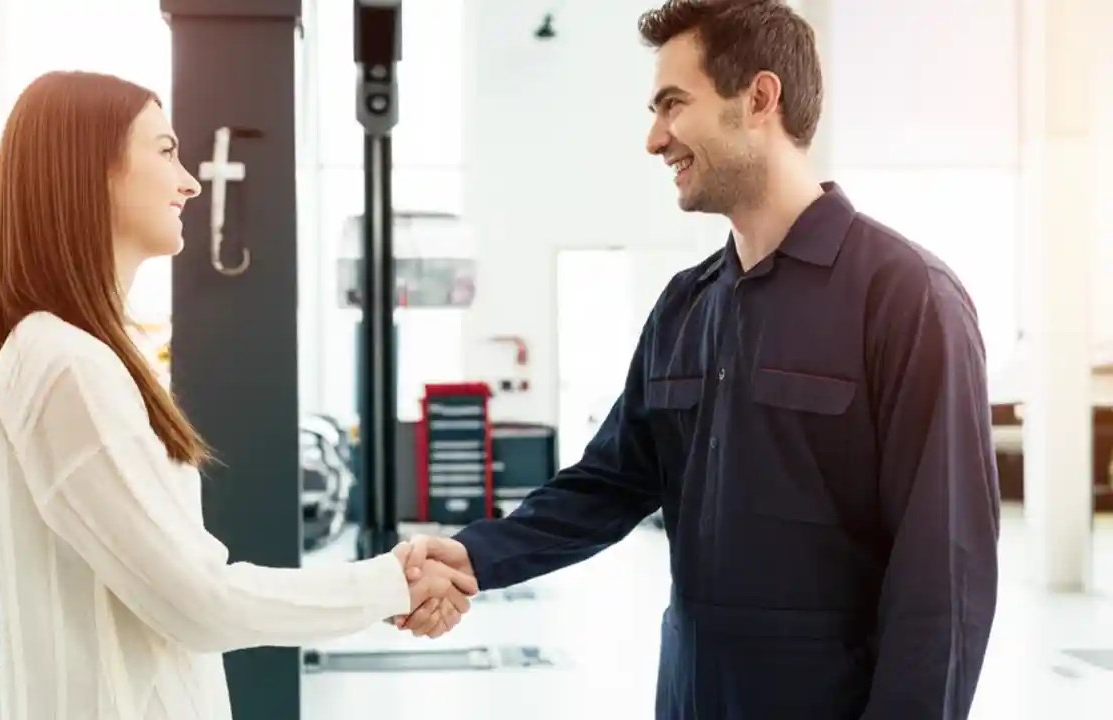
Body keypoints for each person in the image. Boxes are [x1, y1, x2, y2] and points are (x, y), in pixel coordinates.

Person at [397, 1, 1000, 718]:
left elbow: (947, 574)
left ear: (759, 99)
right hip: (691, 696)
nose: (655, 139)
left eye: (672, 105)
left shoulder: (904, 297)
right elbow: (609, 483)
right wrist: (474, 555)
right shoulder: (687, 307)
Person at [0, 70, 476, 720]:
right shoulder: (66, 364)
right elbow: (198, 601)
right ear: (92, 169)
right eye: (166, 149)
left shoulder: (68, 354)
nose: (191, 181)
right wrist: (390, 583)